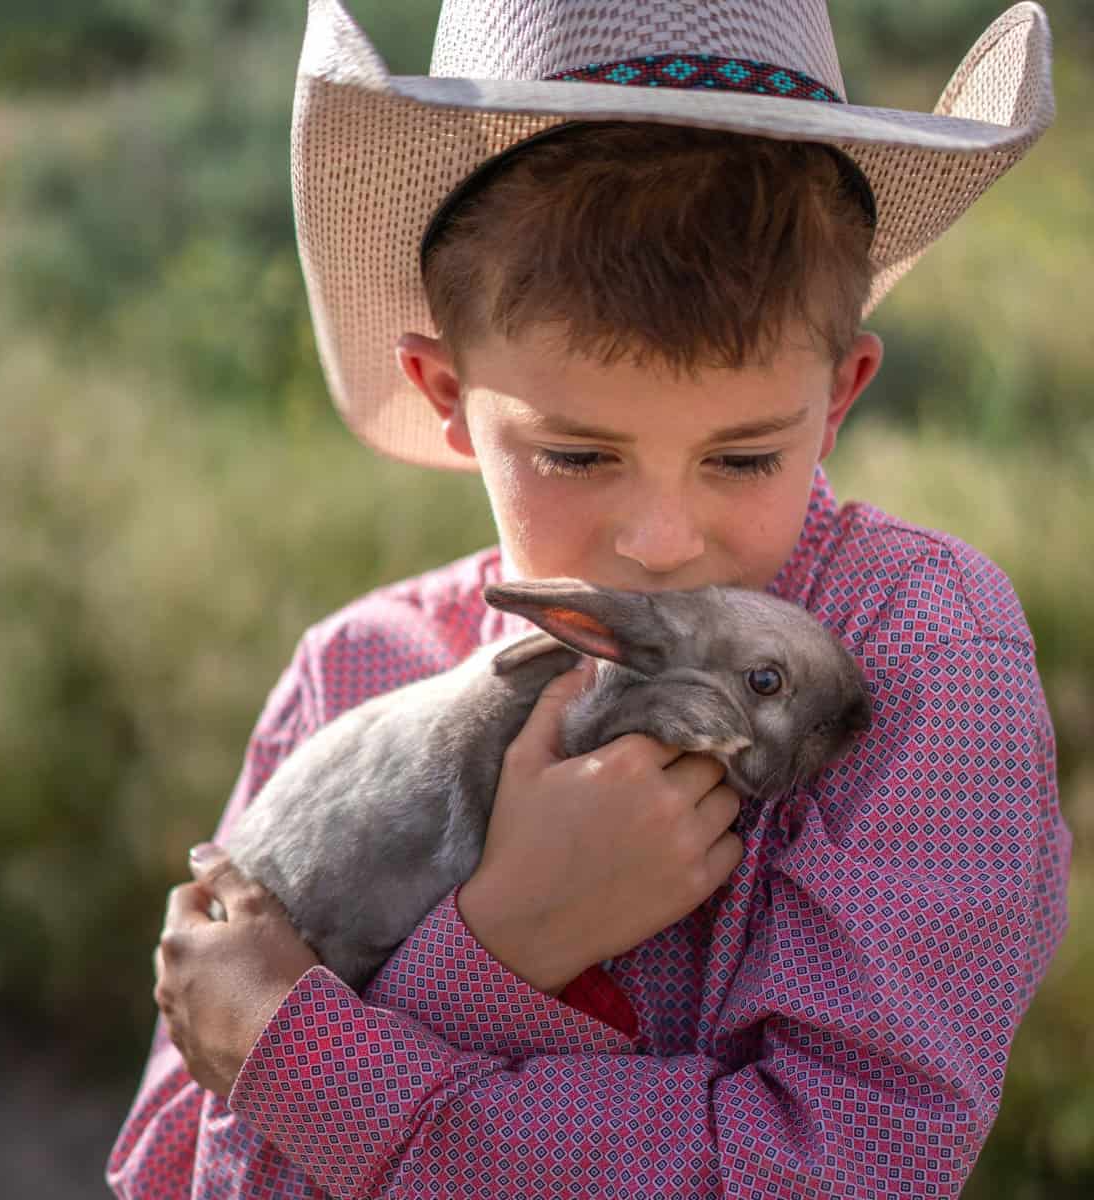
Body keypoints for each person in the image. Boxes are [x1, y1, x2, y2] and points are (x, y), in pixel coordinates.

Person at [108, 1, 1072, 1196]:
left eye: (743, 456)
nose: (663, 544)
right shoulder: (352, 672)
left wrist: (349, 1033)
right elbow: (172, 1168)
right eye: (576, 456)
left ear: (841, 393)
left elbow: (850, 1162)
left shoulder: (923, 646)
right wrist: (504, 941)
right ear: (446, 390)